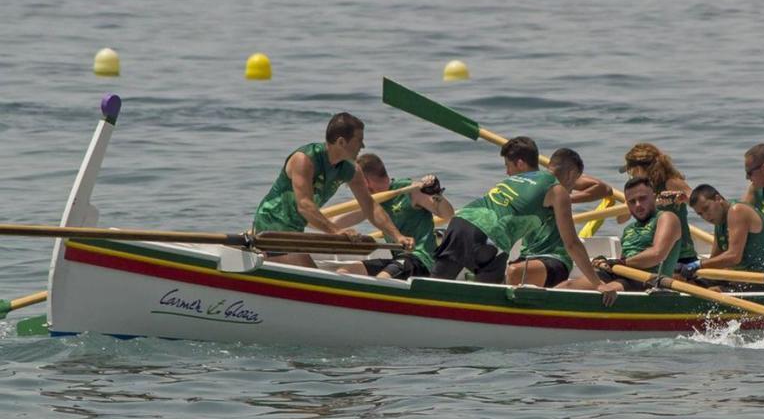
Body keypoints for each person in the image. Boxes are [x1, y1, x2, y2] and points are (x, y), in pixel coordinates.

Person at [431, 136, 622, 304]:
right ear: (573, 175)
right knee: (488, 301)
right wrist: (598, 284)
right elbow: (571, 243)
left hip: (460, 221)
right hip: (488, 235)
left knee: (433, 288)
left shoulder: (519, 176)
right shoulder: (558, 191)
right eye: (574, 181)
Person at [252, 113, 404, 267]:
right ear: (341, 142)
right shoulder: (304, 159)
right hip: (271, 226)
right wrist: (336, 231)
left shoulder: (351, 170)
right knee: (311, 276)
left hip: (296, 231)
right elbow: (305, 205)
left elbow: (370, 207)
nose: (363, 146)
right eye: (359, 140)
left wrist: (397, 236)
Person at [332, 153, 455, 279]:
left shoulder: (411, 190)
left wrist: (437, 195)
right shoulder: (371, 202)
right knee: (344, 272)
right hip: (398, 259)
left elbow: (449, 216)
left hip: (420, 260)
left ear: (365, 182)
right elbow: (334, 223)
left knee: (382, 279)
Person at [556, 176, 681, 293]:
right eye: (632, 201)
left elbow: (656, 254)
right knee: (566, 287)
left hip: (649, 280)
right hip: (621, 273)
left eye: (642, 198)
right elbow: (624, 260)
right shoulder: (629, 229)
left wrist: (621, 263)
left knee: (608, 290)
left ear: (654, 197)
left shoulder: (667, 218)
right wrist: (609, 263)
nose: (638, 205)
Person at [618, 143, 699, 272]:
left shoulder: (671, 182)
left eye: (630, 171)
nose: (631, 175)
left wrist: (681, 197)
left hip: (680, 255)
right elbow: (620, 219)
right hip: (650, 253)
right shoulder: (640, 191)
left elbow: (699, 201)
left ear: (638, 169)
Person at [686, 185, 764, 284]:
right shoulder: (719, 220)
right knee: (690, 283)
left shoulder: (737, 211)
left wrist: (698, 264)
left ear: (718, 199)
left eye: (706, 208)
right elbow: (715, 259)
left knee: (714, 289)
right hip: (743, 278)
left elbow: (734, 257)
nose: (705, 216)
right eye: (700, 214)